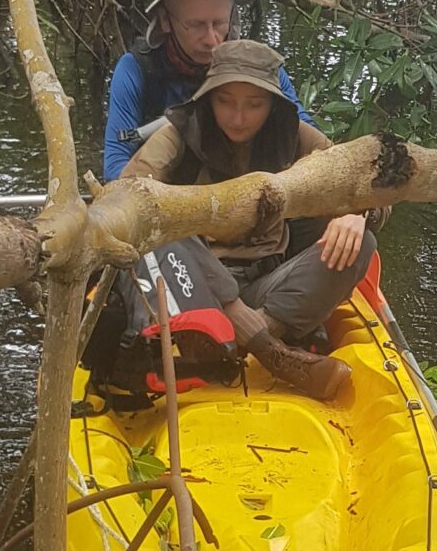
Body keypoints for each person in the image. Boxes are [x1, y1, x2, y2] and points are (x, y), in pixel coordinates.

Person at [132, 39, 378, 401]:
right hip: (193, 287)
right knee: (161, 221)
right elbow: (128, 193)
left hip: (268, 286)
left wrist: (359, 215)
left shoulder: (294, 136)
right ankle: (269, 351)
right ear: (207, 98)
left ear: (273, 106)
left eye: (254, 105)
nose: (238, 118)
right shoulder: (179, 135)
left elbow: (365, 177)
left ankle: (238, 338)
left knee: (363, 243)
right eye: (225, 101)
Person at [103, 0, 305, 183]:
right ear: (166, 20)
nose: (211, 39)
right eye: (196, 25)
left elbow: (303, 132)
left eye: (219, 23)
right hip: (165, 195)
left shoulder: (260, 67)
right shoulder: (136, 70)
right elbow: (115, 166)